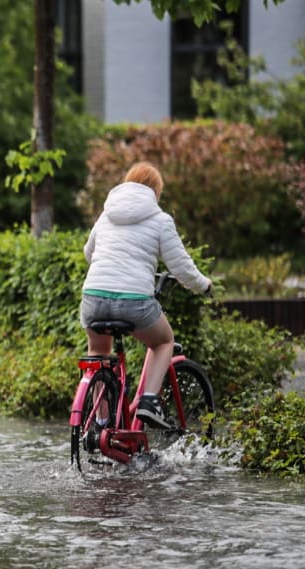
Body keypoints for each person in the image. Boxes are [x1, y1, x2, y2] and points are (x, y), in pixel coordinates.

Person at [80, 161, 213, 428]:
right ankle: (149, 401)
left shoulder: (106, 215)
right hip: (134, 301)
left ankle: (103, 424)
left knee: (98, 355)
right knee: (163, 341)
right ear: (156, 191)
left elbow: (88, 253)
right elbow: (181, 266)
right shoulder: (160, 220)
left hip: (93, 297)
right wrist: (204, 285)